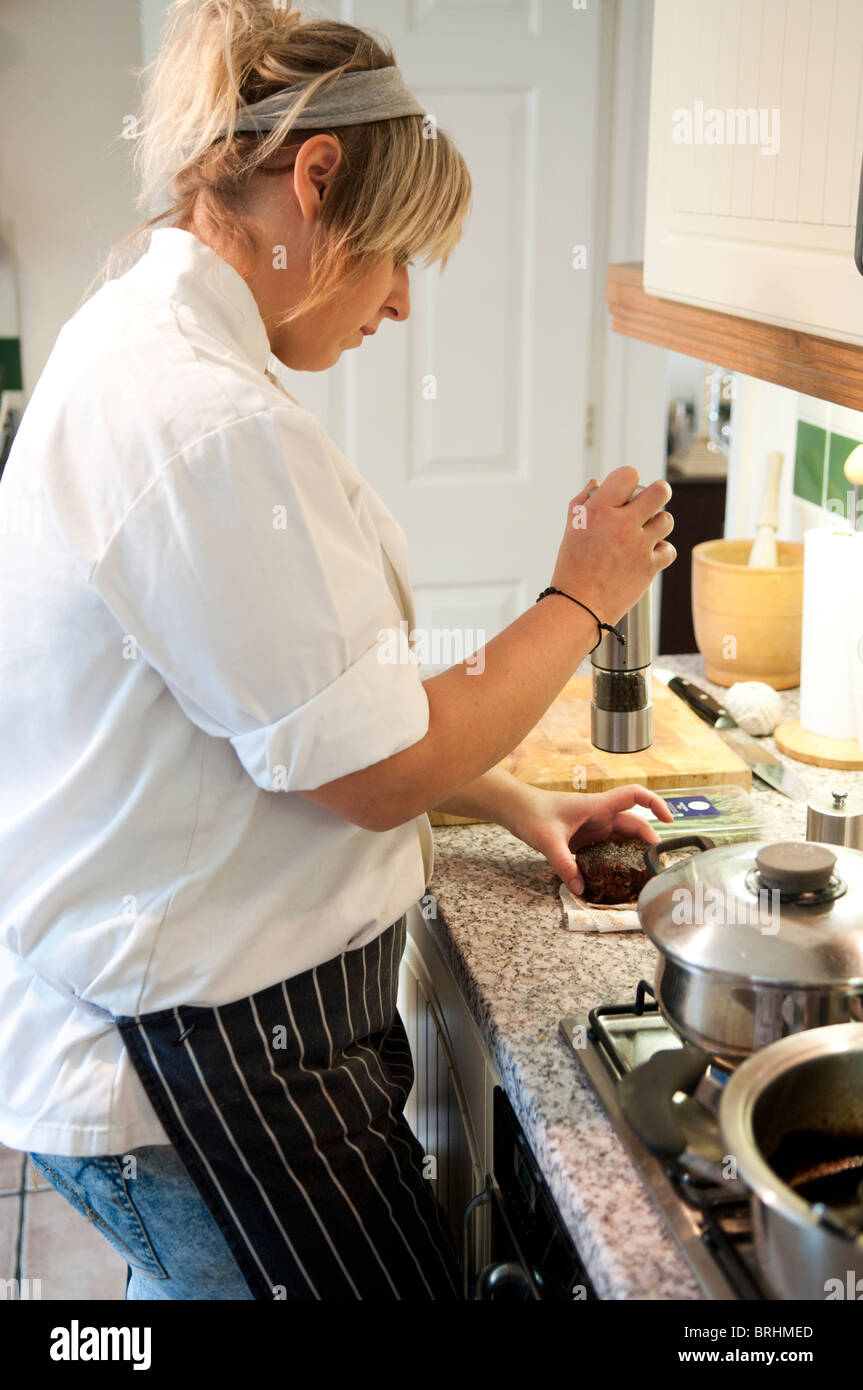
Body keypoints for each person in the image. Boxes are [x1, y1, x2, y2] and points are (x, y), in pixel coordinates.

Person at [0, 0, 675, 1301]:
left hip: (187, 1048)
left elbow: (286, 709)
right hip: (201, 1082)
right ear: (315, 183)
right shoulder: (200, 421)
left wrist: (504, 790)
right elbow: (366, 769)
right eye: (402, 252)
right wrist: (581, 593)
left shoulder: (146, 350)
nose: (408, 300)